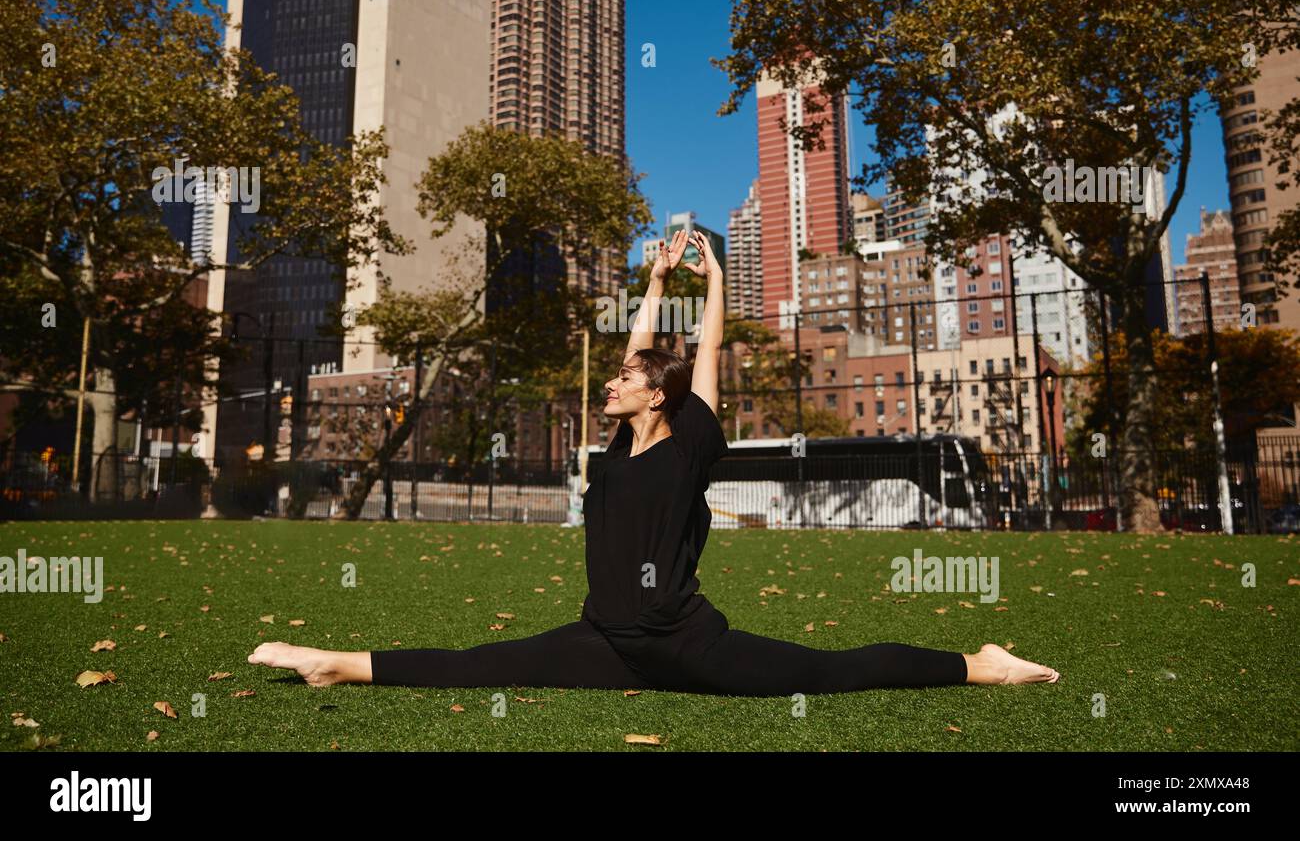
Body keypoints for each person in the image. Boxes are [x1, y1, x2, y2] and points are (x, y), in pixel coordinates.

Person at [248, 230, 1060, 693]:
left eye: (627, 380)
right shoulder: (617, 445)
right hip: (604, 637)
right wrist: (655, 278)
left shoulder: (690, 444)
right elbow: (641, 346)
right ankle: (334, 664)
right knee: (479, 663)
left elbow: (697, 357)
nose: (614, 379)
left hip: (683, 644)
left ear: (659, 399)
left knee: (830, 672)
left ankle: (976, 664)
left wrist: (713, 287)